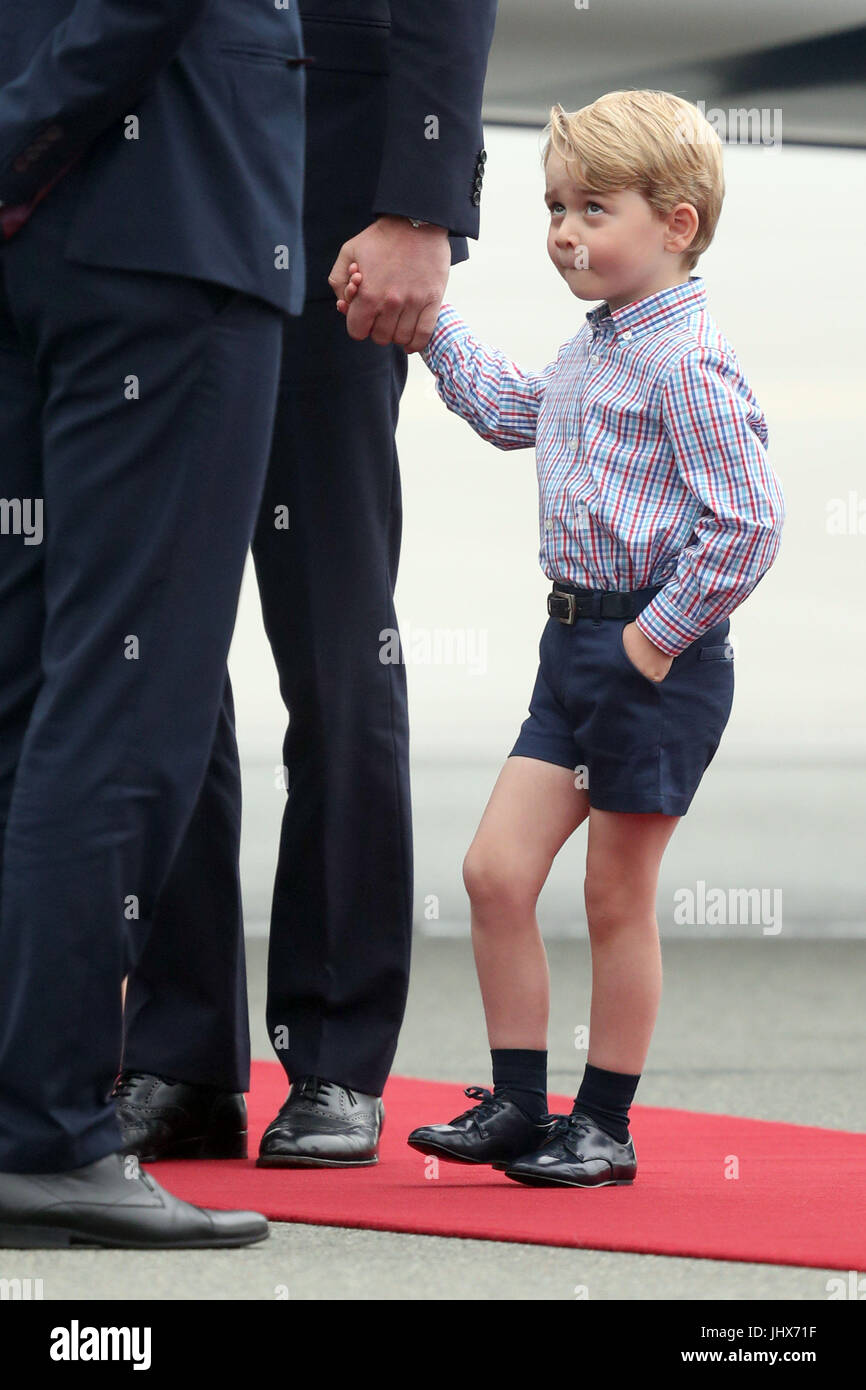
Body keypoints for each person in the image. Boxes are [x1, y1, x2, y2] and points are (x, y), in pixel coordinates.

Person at [342, 88, 785, 1187]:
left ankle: (603, 1125)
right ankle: (517, 1101)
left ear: (674, 223)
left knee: (611, 895)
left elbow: (748, 523)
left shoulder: (686, 361)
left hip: (651, 660)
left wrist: (651, 642)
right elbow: (508, 412)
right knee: (495, 871)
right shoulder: (593, 350)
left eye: (593, 207)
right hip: (570, 654)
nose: (563, 232)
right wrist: (434, 325)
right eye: (553, 207)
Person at [112, 0, 499, 1169]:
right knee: (160, 654)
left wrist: (420, 204)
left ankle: (334, 1059)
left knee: (334, 647)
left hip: (332, 208)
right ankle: (180, 1056)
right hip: (161, 208)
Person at [0, 0, 306, 1246]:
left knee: (29, 689)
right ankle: (43, 1133)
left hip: (45, 249)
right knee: (127, 695)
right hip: (160, 226)